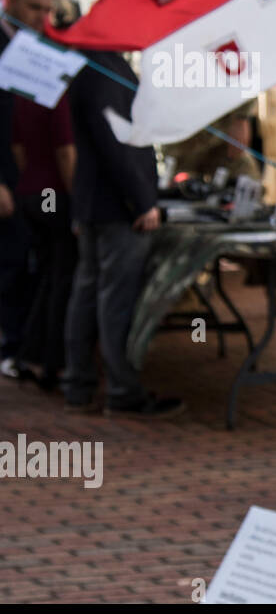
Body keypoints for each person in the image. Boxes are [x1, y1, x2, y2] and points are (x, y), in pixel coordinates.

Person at [62, 52, 183, 417]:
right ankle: (121, 390)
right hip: (116, 208)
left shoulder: (93, 66)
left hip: (98, 204)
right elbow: (116, 142)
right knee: (114, 300)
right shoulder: (104, 70)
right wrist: (142, 201)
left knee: (89, 293)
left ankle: (80, 385)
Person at [10, 52, 78, 391]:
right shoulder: (59, 97)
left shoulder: (26, 96)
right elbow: (66, 153)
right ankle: (53, 361)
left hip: (29, 191)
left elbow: (19, 147)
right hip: (51, 194)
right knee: (61, 275)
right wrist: (76, 202)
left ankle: (33, 356)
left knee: (49, 274)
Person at [0, 0, 56, 381]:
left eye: (49, 10)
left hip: (32, 180)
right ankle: (10, 346)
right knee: (11, 260)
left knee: (28, 260)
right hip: (6, 179)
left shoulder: (37, 48)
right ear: (12, 1)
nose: (43, 17)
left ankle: (22, 346)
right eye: (35, 8)